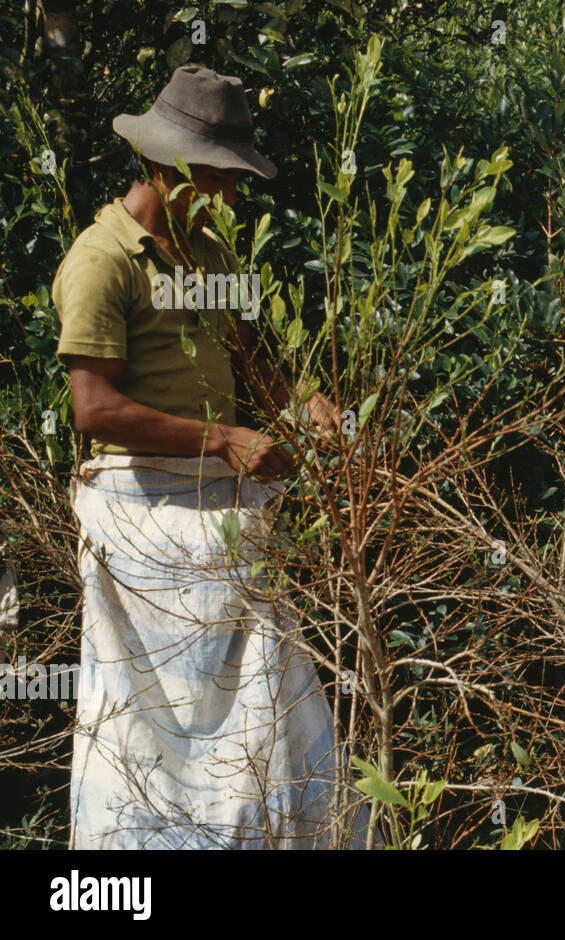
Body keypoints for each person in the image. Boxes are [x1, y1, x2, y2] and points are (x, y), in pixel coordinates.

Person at [52, 65, 358, 848]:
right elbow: (94, 409)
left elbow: (249, 359)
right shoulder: (102, 260)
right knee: (146, 739)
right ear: (165, 164)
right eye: (214, 179)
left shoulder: (211, 253)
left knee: (268, 722)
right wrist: (221, 439)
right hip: (145, 522)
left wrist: (303, 402)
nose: (224, 197)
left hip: (218, 515)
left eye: (230, 181)